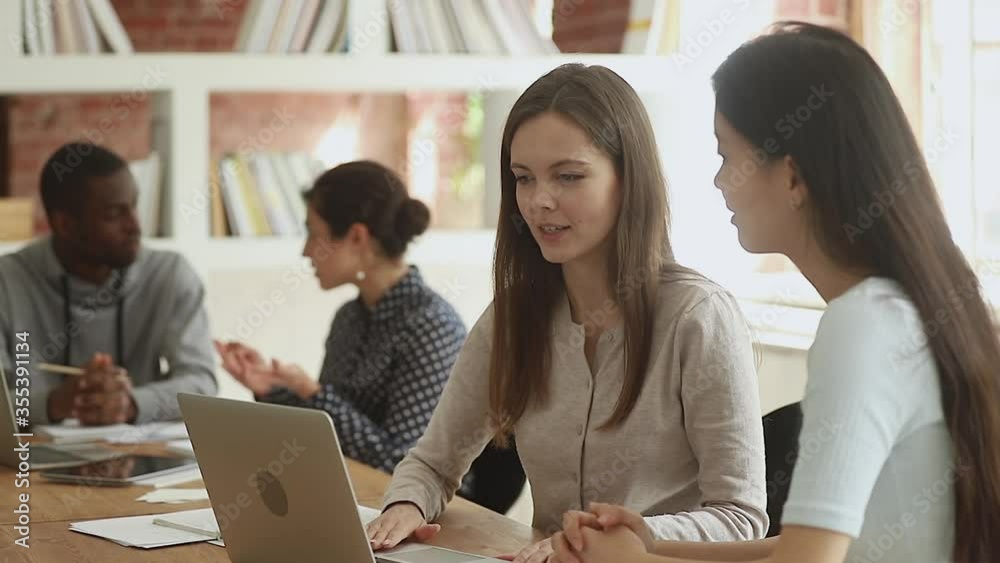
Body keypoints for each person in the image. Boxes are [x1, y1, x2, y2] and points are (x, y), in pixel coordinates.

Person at [552, 22, 1000, 563]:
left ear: (792, 177)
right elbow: (800, 547)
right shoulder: (899, 310)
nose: (719, 181)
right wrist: (655, 545)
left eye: (726, 156)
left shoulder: (863, 325)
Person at [365, 63, 769, 563]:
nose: (539, 201)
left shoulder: (698, 318)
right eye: (523, 179)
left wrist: (622, 540)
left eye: (569, 176)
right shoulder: (513, 317)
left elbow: (739, 516)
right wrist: (405, 505)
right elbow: (433, 463)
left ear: (629, 179)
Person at [214, 160, 467, 476]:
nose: (306, 251)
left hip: (427, 514)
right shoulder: (349, 317)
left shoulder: (431, 327)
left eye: (313, 233)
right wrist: (270, 388)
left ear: (357, 237)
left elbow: (402, 463)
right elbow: (331, 434)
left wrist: (313, 392)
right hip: (356, 495)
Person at [0, 142, 217, 425]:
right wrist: (55, 402)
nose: (136, 226)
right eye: (115, 214)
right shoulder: (8, 281)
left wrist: (130, 404)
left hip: (145, 458)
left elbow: (202, 383)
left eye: (135, 206)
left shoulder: (169, 274)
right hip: (27, 463)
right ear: (65, 225)